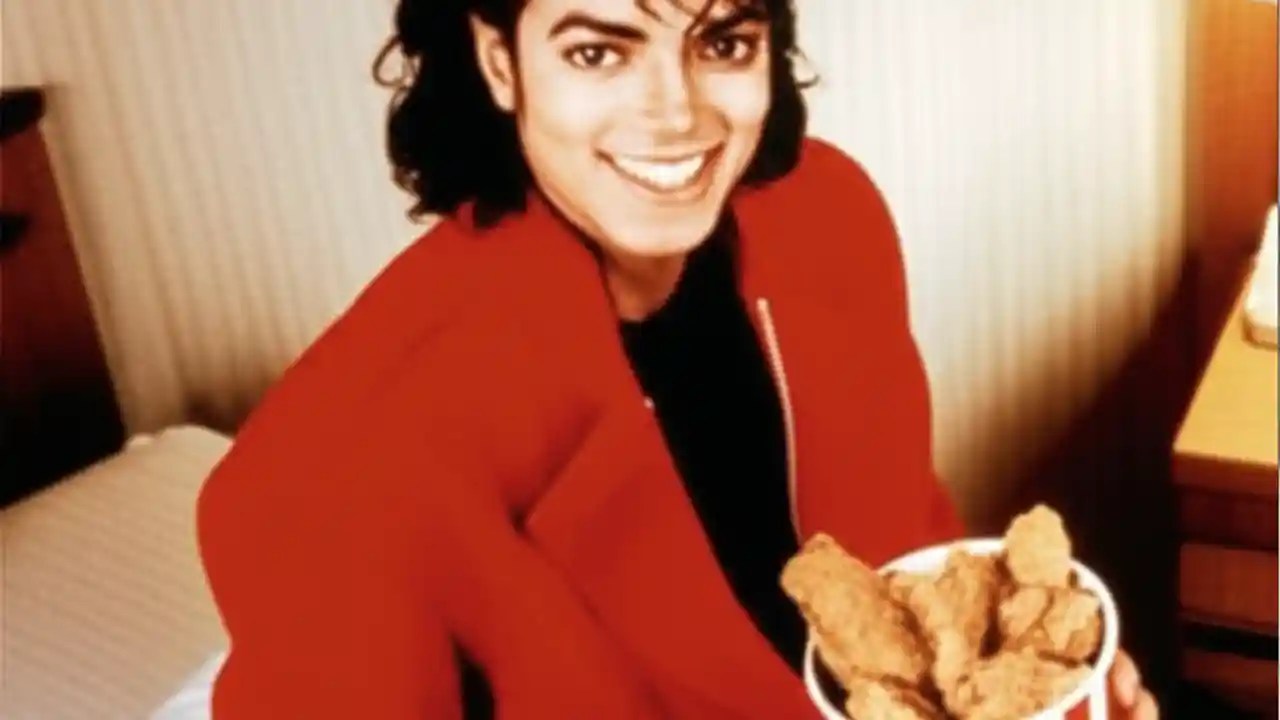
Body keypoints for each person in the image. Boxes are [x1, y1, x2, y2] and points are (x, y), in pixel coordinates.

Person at [196, 0, 1159, 717]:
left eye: (721, 41)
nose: (676, 113)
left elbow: (913, 562)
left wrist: (1048, 698)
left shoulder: (827, 216)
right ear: (498, 61)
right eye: (598, 51)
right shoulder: (328, 467)